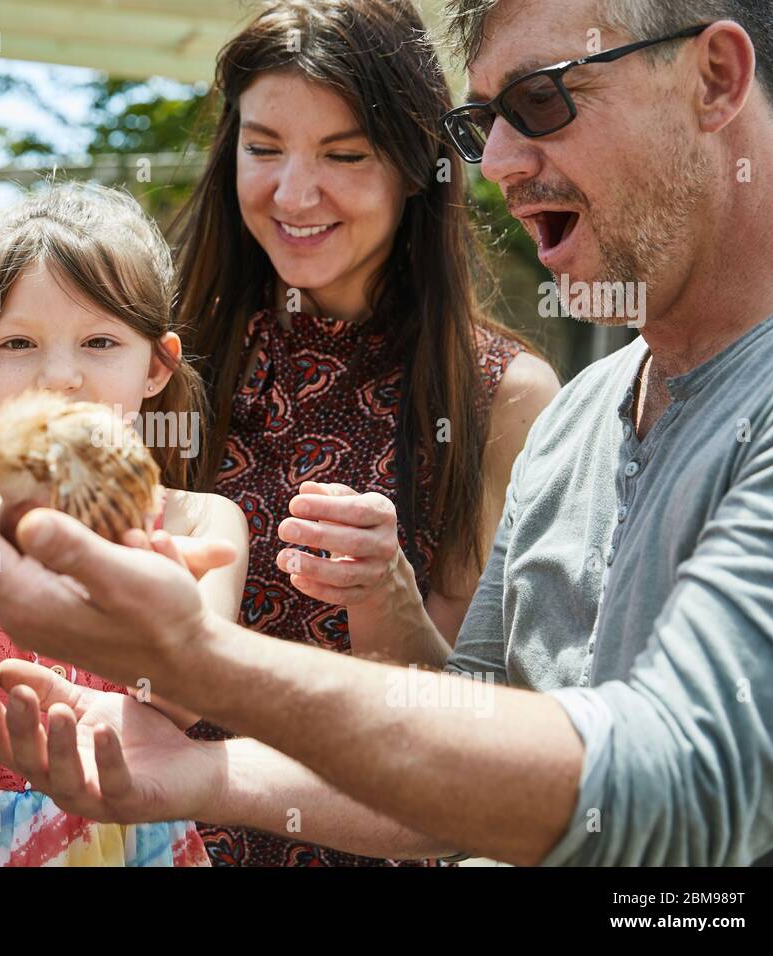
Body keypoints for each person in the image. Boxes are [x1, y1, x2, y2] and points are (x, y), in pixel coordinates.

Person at [0, 0, 773, 865]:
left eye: (541, 101)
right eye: (483, 122)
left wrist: (203, 663)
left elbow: (685, 786)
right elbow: (464, 762)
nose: (496, 161)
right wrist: (204, 775)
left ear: (715, 78)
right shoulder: (580, 417)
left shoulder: (534, 394)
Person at [166, 0, 558, 865]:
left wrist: (386, 597)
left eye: (344, 156)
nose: (294, 194)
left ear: (418, 164)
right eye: (263, 148)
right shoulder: (163, 357)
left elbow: (475, 720)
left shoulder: (504, 401)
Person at [0, 182, 248, 866]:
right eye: (17, 343)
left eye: (100, 341)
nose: (60, 376)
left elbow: (183, 705)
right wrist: (0, 543)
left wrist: (158, 599)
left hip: (123, 833)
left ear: (156, 367)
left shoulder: (199, 521)